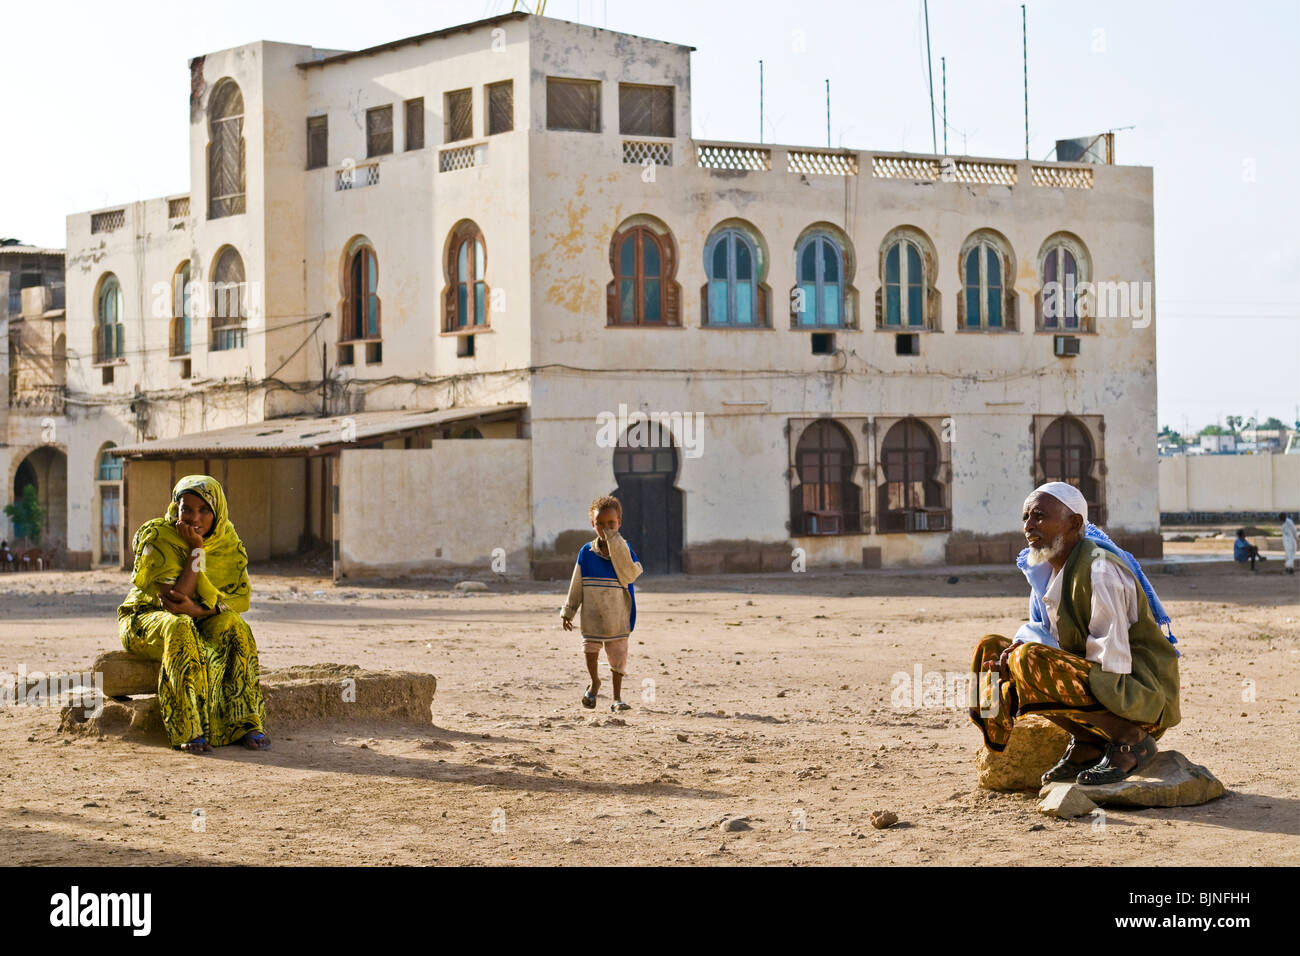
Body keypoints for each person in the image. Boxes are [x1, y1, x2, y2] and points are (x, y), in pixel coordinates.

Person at [968, 482, 1180, 786]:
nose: (1028, 526)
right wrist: (1010, 663)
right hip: (1097, 681)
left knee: (1026, 659)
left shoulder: (1100, 570)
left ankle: (1129, 740)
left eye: (1039, 516)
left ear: (1075, 523)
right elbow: (1043, 637)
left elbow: (1112, 660)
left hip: (1138, 694)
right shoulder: (1046, 574)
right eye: (1025, 517)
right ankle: (1087, 743)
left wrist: (1027, 665)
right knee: (990, 649)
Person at [118, 474, 269, 754]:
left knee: (235, 625)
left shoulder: (228, 541)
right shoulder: (158, 536)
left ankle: (245, 722)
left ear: (217, 512)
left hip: (198, 616)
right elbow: (177, 599)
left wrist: (200, 610)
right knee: (180, 627)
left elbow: (236, 600)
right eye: (186, 508)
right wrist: (196, 549)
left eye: (204, 510)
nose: (193, 518)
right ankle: (187, 729)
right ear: (176, 508)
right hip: (147, 618)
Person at [559, 495, 643, 713]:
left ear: (619, 523)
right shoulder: (586, 553)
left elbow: (631, 575)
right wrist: (568, 610)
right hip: (593, 612)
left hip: (618, 613)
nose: (606, 528)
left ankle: (617, 698)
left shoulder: (625, 548)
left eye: (611, 524)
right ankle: (595, 682)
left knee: (618, 656)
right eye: (600, 524)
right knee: (590, 651)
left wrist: (617, 547)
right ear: (593, 524)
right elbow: (576, 581)